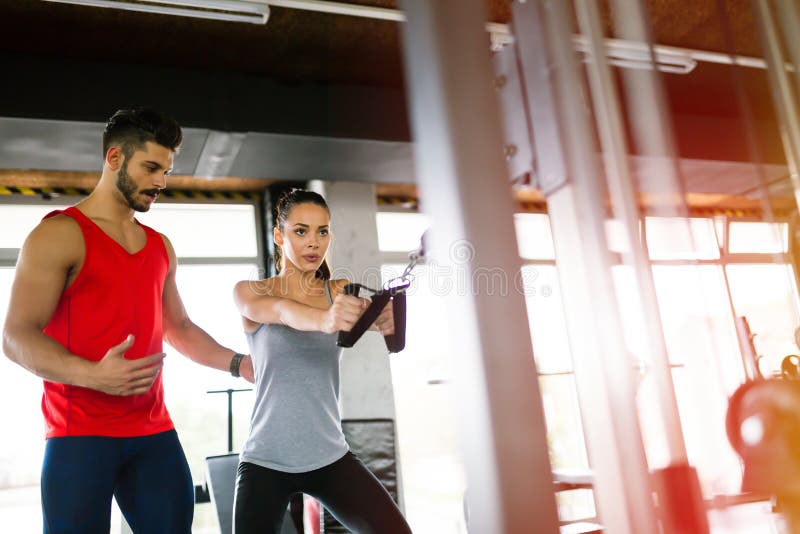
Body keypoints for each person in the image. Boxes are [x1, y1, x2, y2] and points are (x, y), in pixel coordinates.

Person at [2, 107, 254, 533]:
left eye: (167, 171)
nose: (161, 182)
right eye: (151, 167)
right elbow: (15, 335)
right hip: (78, 439)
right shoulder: (60, 234)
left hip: (153, 435)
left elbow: (180, 329)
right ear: (115, 158)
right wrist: (93, 375)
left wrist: (240, 364)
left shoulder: (160, 246)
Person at [232, 189, 412, 534]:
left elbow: (370, 318)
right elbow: (284, 312)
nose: (313, 242)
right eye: (301, 231)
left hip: (330, 456)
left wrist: (385, 319)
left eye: (322, 231)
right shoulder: (251, 292)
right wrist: (326, 320)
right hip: (265, 459)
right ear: (279, 236)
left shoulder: (339, 290)